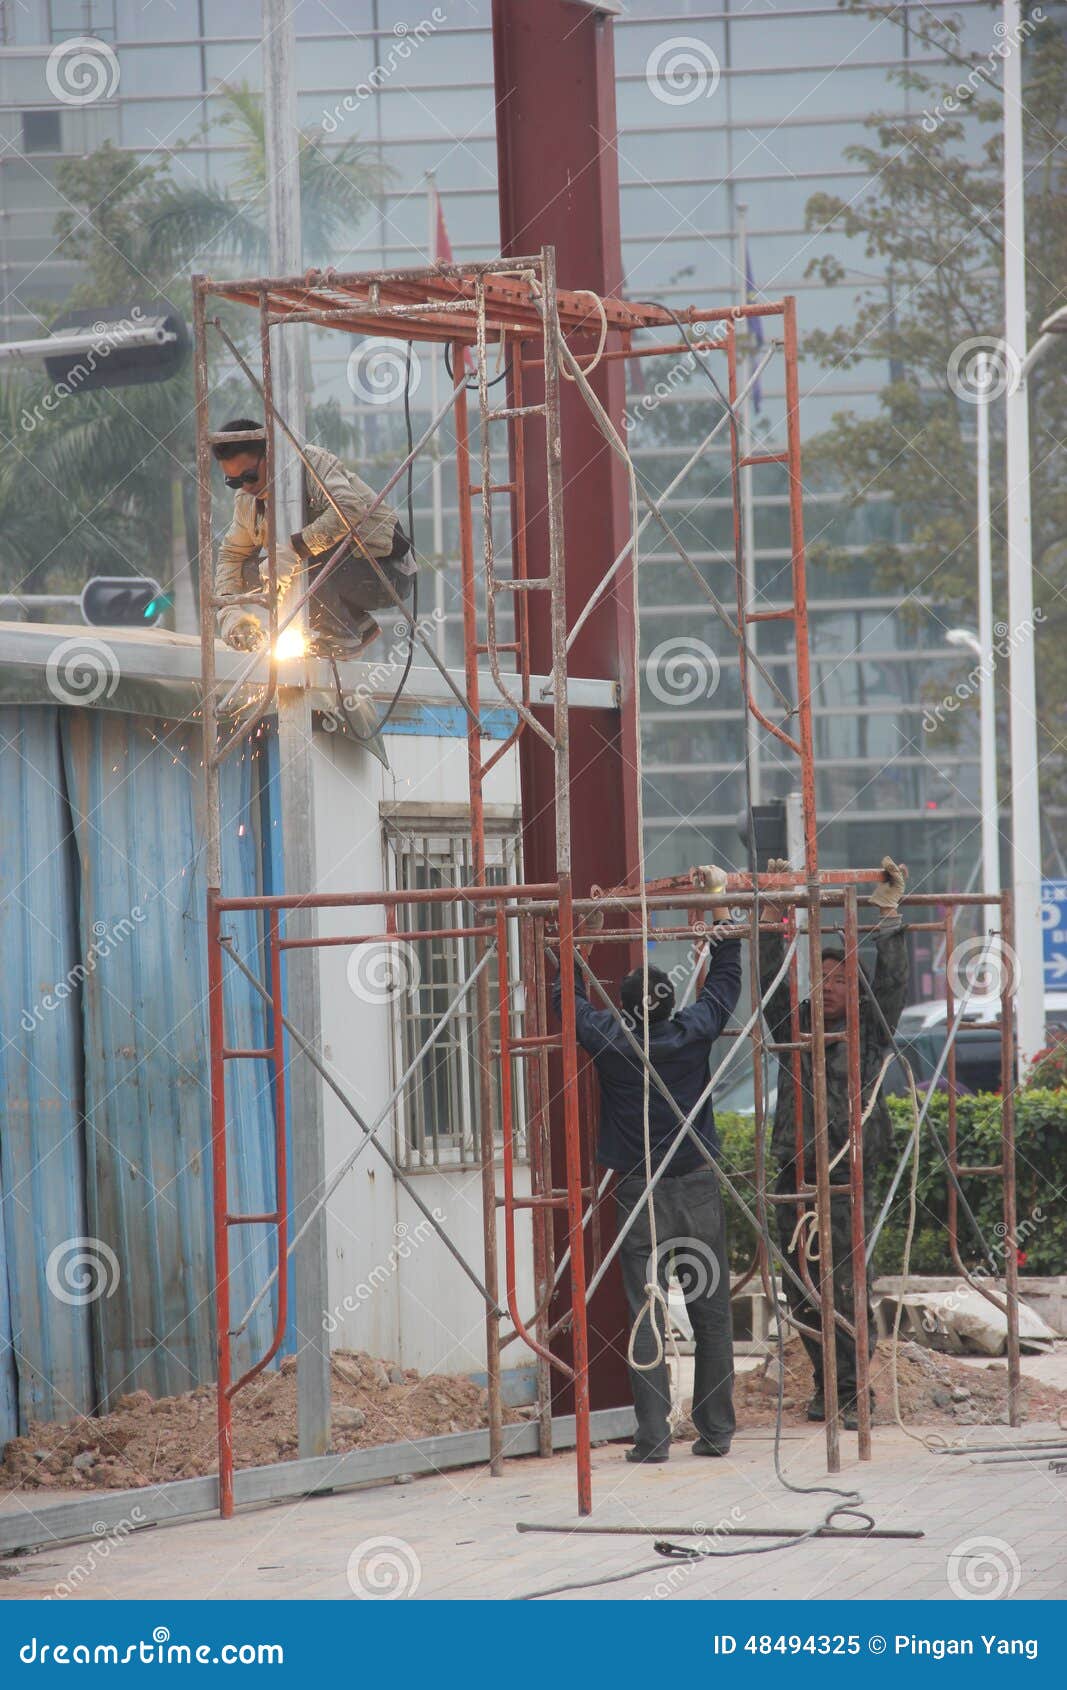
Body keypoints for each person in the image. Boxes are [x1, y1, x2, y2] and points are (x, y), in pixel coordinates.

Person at [552, 895, 742, 1464]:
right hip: (695, 1185)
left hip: (639, 1191)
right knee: (710, 1308)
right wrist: (723, 927)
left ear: (627, 1008)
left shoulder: (612, 1041)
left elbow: (571, 1008)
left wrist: (568, 954)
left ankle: (653, 1437)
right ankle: (715, 1431)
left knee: (646, 1312)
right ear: (665, 1006)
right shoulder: (692, 1031)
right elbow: (723, 988)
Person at [758, 856, 909, 1429]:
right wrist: (775, 911)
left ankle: (854, 1392)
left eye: (841, 978)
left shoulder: (871, 1034)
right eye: (821, 978)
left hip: (849, 1172)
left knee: (846, 1287)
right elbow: (771, 978)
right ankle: (826, 1384)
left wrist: (889, 913)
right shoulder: (793, 1029)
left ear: (859, 993)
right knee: (801, 1290)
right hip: (796, 1172)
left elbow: (892, 981)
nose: (826, 987)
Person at [211, 418, 414, 656]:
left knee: (295, 559)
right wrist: (231, 615)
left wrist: (295, 548)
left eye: (250, 476)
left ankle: (341, 635)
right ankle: (357, 624)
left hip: (385, 570)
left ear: (270, 454)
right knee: (251, 569)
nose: (245, 486)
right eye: (234, 481)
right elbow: (231, 557)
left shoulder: (311, 463)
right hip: (338, 574)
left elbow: (349, 509)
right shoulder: (246, 501)